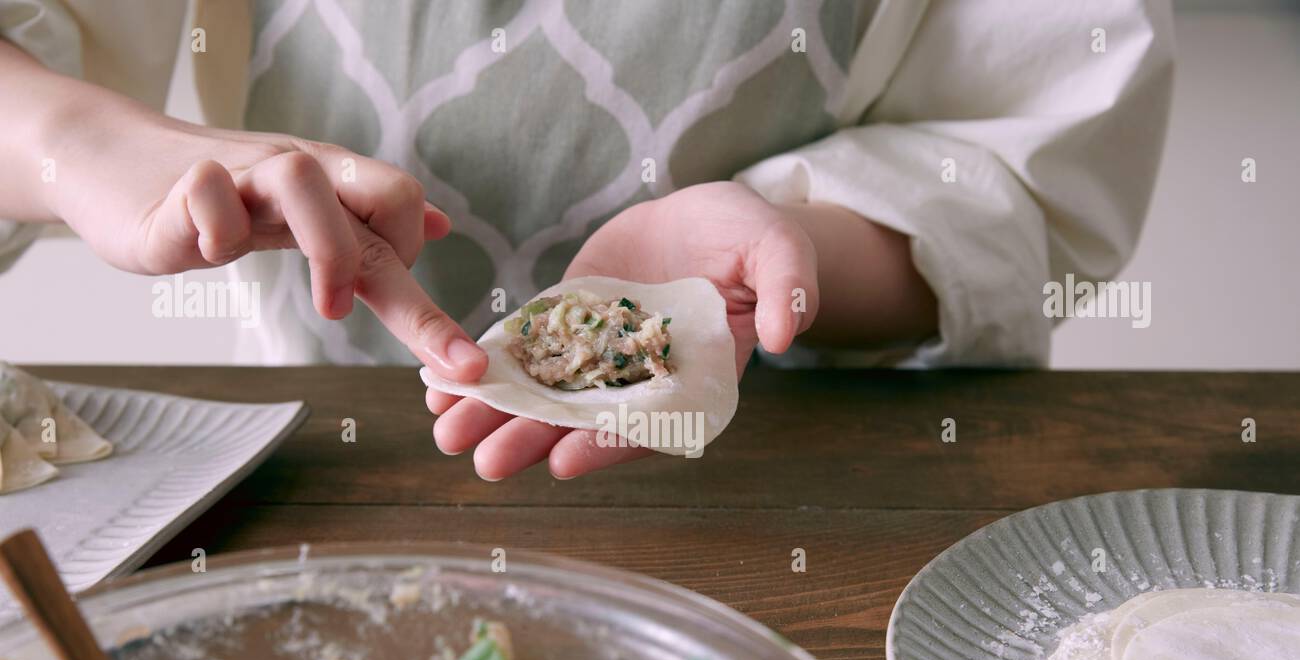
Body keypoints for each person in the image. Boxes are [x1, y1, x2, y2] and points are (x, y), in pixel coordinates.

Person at [0, 0, 1174, 479]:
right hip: (339, 470)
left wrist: (790, 243)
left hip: (813, 484)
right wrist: (71, 136)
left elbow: (1037, 167)